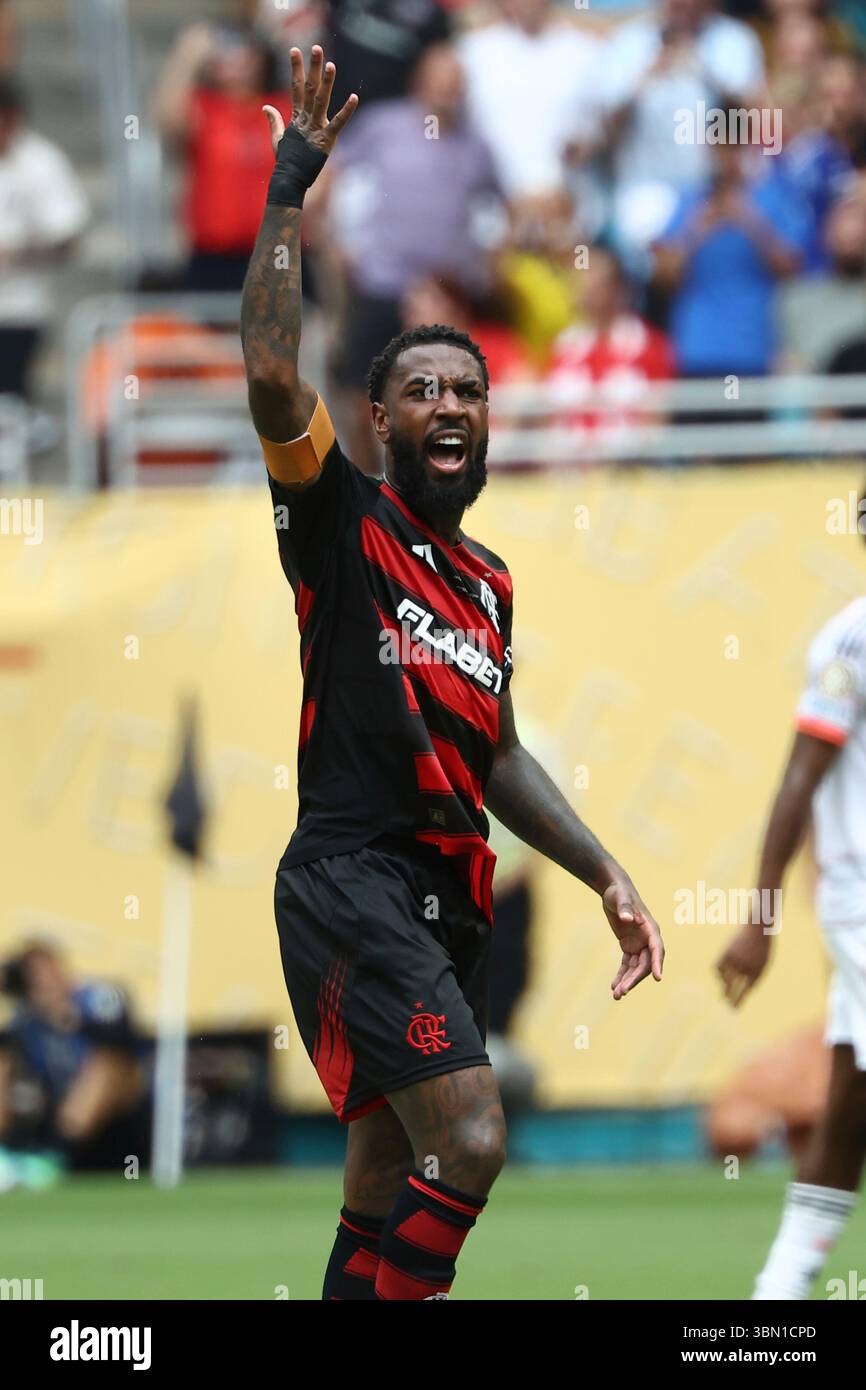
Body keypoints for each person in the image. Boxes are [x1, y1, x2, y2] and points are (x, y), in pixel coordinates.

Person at [241, 44, 665, 1302]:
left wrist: (603, 871)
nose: (447, 405)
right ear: (380, 421)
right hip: (351, 874)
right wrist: (288, 188)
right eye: (419, 388)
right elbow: (271, 372)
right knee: (470, 1137)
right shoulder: (339, 518)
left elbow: (497, 754)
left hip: (442, 893)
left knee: (381, 1173)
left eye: (467, 391)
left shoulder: (487, 585)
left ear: (488, 421)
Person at [717, 488, 866, 1300]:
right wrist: (760, 917)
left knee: (850, 1098)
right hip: (861, 899)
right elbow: (798, 779)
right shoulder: (852, 639)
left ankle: (781, 1290)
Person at [653, 135, 813, 379]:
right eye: (717, 149)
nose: (724, 158)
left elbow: (792, 269)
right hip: (698, 349)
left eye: (731, 148)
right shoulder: (689, 202)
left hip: (753, 348)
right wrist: (695, 233)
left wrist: (750, 222)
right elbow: (662, 279)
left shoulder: (771, 197)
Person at [152, 21, 290, 291]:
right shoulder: (205, 107)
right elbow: (167, 121)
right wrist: (186, 59)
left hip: (276, 251)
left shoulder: (281, 108)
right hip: (214, 255)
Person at [0, 942, 150, 1182]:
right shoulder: (27, 1019)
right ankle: (8, 1155)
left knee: (104, 1067)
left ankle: (55, 1158)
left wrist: (64, 1015)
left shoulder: (99, 997)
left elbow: (116, 1045)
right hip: (57, 1108)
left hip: (121, 1114)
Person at [0, 76, 88, 402]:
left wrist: (17, 253)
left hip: (20, 307)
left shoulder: (40, 161)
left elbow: (68, 238)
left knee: (10, 401)